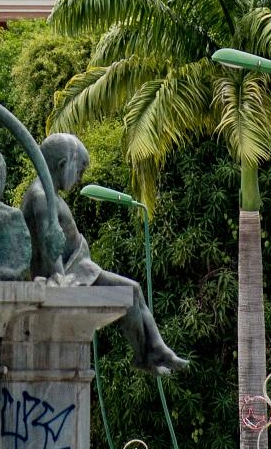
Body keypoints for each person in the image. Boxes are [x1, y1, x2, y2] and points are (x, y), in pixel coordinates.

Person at [22, 133, 186, 376]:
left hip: (80, 266)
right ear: (63, 165)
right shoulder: (41, 197)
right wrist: (57, 278)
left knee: (134, 290)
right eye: (80, 170)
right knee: (131, 291)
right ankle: (149, 353)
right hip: (71, 271)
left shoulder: (47, 194)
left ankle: (154, 350)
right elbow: (49, 243)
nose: (80, 178)